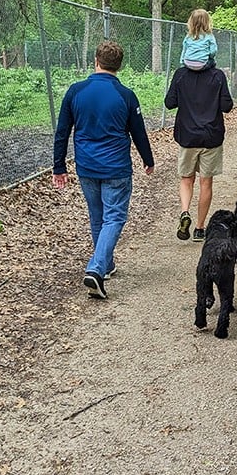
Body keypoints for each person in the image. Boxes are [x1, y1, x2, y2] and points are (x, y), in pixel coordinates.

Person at [52, 41, 155, 299]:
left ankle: (106, 265)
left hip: (87, 166)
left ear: (95, 60)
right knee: (114, 218)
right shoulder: (126, 95)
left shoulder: (76, 91)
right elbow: (138, 132)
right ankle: (97, 269)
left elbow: (62, 131)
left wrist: (59, 165)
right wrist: (148, 158)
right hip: (116, 167)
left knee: (98, 217)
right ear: (119, 66)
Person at [164, 60, 233, 242]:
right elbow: (227, 106)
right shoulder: (217, 75)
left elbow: (169, 102)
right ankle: (200, 228)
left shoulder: (180, 74)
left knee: (186, 179)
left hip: (187, 136)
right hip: (211, 136)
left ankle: (185, 212)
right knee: (206, 183)